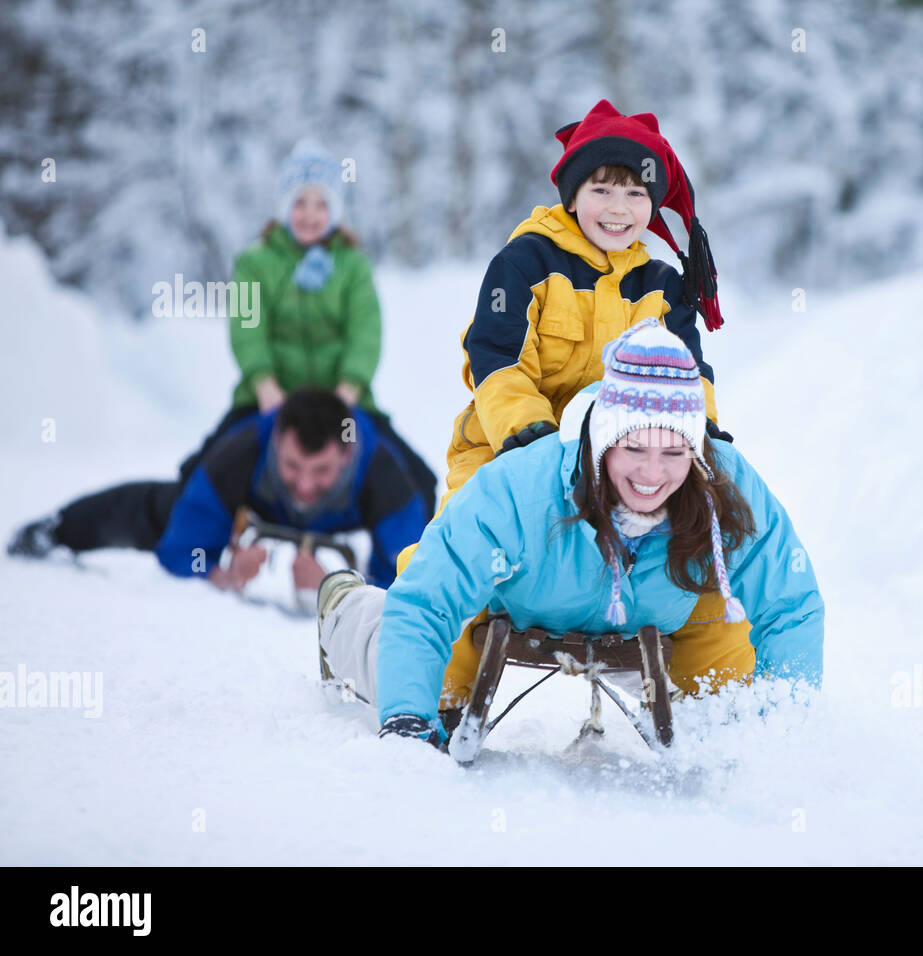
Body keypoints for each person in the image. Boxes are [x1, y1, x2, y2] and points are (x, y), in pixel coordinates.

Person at [316, 320, 823, 749]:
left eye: (674, 452)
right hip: (512, 603)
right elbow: (427, 600)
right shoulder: (522, 487)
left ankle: (724, 724)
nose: (652, 473)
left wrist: (785, 731)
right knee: (420, 685)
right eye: (634, 448)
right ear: (603, 439)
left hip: (659, 607)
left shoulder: (722, 482)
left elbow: (790, 603)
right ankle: (344, 611)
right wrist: (408, 717)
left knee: (728, 693)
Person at [433, 98, 730, 516]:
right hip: (510, 443)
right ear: (572, 197)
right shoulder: (525, 263)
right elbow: (498, 358)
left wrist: (702, 431)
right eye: (602, 190)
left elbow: (688, 373)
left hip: (617, 459)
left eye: (635, 193)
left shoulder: (662, 287)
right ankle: (410, 583)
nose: (618, 207)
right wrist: (530, 435)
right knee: (473, 532)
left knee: (700, 522)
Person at [179, 139, 439, 519]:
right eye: (299, 203)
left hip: (345, 401)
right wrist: (264, 385)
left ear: (334, 211)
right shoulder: (254, 262)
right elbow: (246, 326)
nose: (309, 215)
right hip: (267, 399)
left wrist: (347, 391)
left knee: (418, 480)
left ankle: (404, 560)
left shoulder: (353, 266)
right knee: (199, 473)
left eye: (321, 204)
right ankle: (202, 552)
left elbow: (365, 331)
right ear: (285, 207)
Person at [8, 388, 428, 590]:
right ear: (275, 440)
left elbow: (408, 582)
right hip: (250, 491)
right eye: (292, 466)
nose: (303, 485)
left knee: (429, 510)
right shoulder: (243, 450)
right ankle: (56, 529)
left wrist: (339, 590)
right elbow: (180, 550)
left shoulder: (383, 472)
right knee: (171, 505)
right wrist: (218, 572)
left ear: (347, 452)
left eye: (321, 472)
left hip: (376, 488)